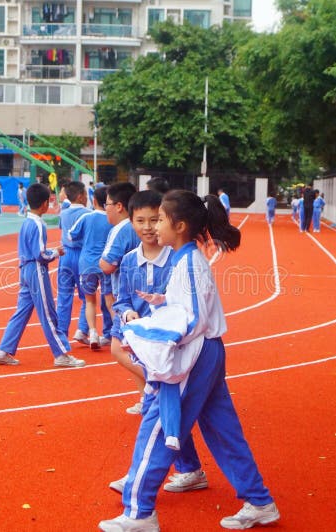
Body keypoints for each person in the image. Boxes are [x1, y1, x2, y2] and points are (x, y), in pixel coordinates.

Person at [98, 190, 279, 532]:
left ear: (179, 226)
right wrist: (162, 302)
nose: (154, 227)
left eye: (160, 220)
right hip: (204, 352)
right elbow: (187, 307)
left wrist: (149, 333)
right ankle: (259, 501)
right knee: (222, 430)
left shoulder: (189, 263)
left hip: (193, 355)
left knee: (158, 427)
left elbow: (193, 319)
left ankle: (139, 512)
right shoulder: (186, 260)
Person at [0, 183, 86, 368]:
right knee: (49, 313)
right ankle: (61, 354)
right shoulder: (39, 224)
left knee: (21, 312)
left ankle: (3, 350)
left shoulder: (27, 222)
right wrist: (56, 252)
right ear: (44, 204)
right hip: (36, 270)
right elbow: (41, 254)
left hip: (25, 269)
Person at [100, 183, 142, 398]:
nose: (104, 208)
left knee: (119, 349)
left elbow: (107, 265)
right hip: (141, 293)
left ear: (119, 206)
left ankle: (157, 384)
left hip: (127, 299)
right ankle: (146, 397)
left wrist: (100, 263)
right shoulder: (136, 227)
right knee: (135, 349)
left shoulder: (122, 229)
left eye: (106, 204)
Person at [69, 185, 114, 350]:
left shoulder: (86, 217)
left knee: (89, 301)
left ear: (94, 200)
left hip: (86, 263)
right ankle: (114, 333)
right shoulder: (111, 220)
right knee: (109, 300)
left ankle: (93, 332)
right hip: (105, 264)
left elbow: (71, 235)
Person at [55, 181, 90, 341]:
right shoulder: (88, 214)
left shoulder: (64, 213)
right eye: (86, 194)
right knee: (87, 296)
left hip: (65, 255)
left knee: (64, 296)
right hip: (82, 256)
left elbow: (61, 228)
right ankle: (82, 329)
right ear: (81, 196)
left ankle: (61, 332)